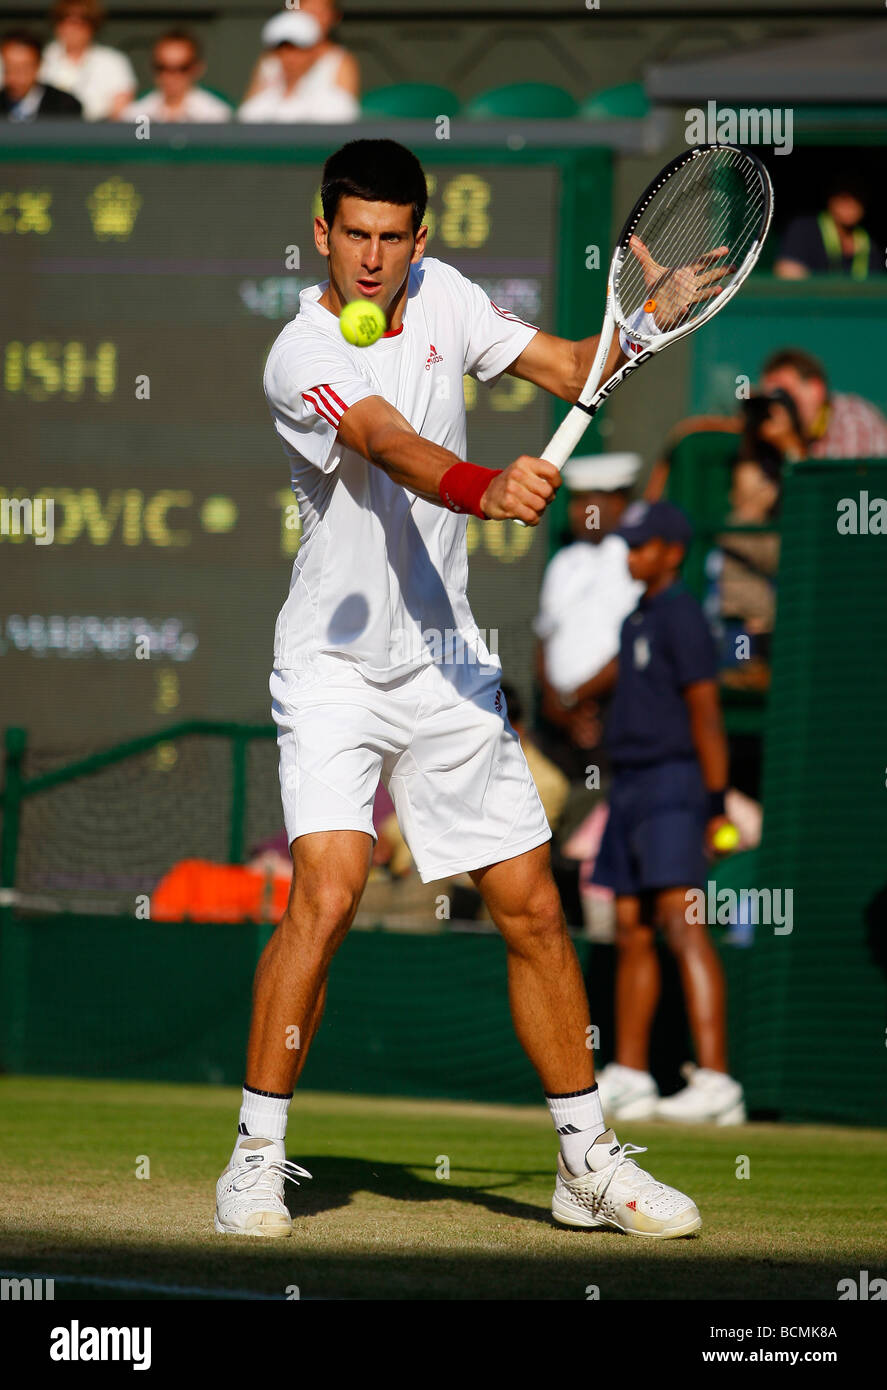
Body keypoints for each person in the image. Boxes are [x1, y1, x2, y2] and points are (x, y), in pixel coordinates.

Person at [213, 138, 732, 1240]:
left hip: (444, 662)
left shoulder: (446, 297)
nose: (370, 256)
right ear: (321, 232)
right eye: (351, 233)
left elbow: (563, 365)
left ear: (420, 239)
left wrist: (638, 326)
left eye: (391, 237)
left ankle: (584, 1161)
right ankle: (256, 1154)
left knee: (534, 909)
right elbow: (387, 442)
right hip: (334, 664)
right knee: (332, 884)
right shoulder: (297, 349)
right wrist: (482, 486)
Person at [590, 500, 746, 1125]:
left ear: (672, 552)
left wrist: (714, 803)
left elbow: (706, 714)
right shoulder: (639, 619)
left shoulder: (682, 617)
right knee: (630, 927)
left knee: (683, 925)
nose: (631, 556)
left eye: (642, 546)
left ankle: (717, 1083)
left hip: (675, 785)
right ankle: (631, 1075)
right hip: (628, 789)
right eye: (628, 546)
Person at [534, 452, 643, 835]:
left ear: (617, 502)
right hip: (559, 725)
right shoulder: (563, 562)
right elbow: (544, 639)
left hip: (609, 718)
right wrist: (558, 705)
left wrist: (578, 699)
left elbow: (631, 647)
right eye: (576, 502)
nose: (580, 512)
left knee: (598, 829)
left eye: (589, 501)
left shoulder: (634, 560)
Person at [237, 9, 359, 124]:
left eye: (298, 48)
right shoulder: (259, 105)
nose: (289, 57)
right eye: (281, 49)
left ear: (314, 52)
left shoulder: (334, 103)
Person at [38, 0, 136, 122]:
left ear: (93, 26)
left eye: (81, 22)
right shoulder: (40, 59)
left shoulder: (113, 61)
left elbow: (121, 110)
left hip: (99, 135)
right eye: (65, 20)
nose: (72, 28)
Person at [775, 177, 883, 281]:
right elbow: (787, 273)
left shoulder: (870, 244)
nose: (851, 202)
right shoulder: (803, 229)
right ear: (831, 198)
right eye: (843, 196)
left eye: (858, 195)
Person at [118, 30, 232, 124]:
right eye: (162, 67)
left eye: (182, 68)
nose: (170, 76)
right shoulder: (133, 116)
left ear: (197, 69)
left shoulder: (217, 116)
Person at [0, 29, 82, 119]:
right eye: (10, 67)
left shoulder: (66, 105)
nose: (16, 74)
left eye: (24, 67)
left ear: (39, 65)